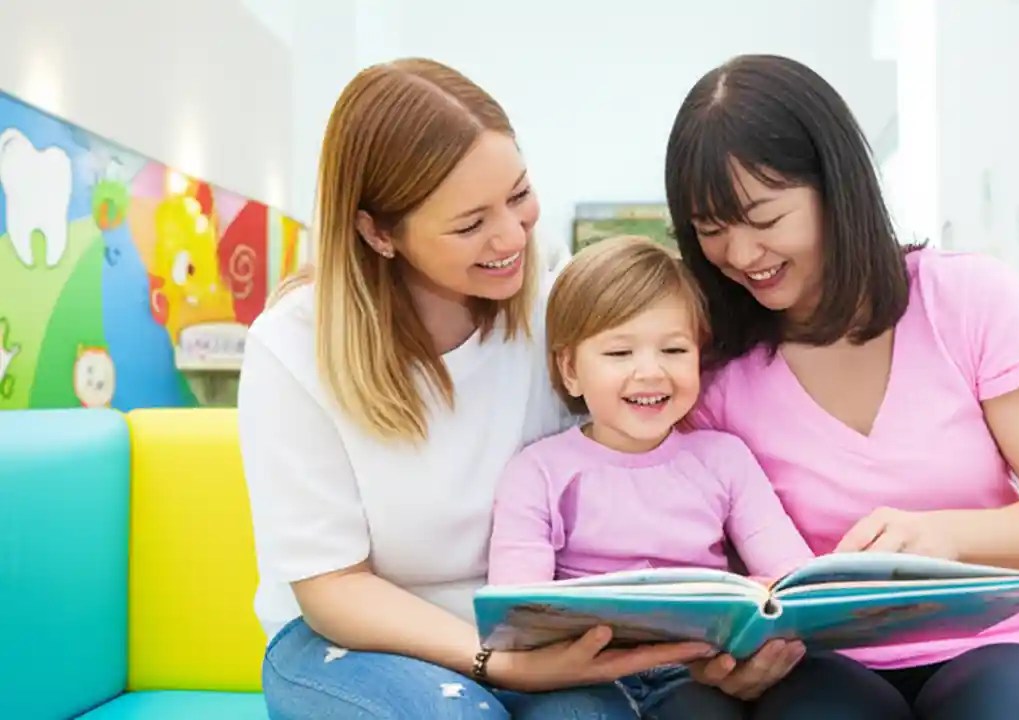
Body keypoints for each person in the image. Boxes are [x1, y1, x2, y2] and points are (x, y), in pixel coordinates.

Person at [235, 58, 714, 720]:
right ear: (378, 232)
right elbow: (333, 588)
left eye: (519, 195)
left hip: (529, 633)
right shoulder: (293, 349)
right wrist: (499, 662)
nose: (512, 236)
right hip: (346, 640)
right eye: (469, 224)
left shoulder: (554, 311)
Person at [661, 54, 1019, 719]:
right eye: (710, 231)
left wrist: (946, 537)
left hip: (998, 645)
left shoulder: (967, 299)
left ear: (833, 186)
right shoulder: (711, 366)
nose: (740, 254)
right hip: (816, 663)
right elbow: (706, 562)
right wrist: (728, 648)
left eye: (763, 219)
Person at [486, 235, 815, 719]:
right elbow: (516, 614)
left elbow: (790, 578)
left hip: (693, 671)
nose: (650, 372)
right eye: (619, 353)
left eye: (674, 350)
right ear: (570, 370)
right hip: (576, 675)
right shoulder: (538, 471)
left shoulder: (723, 458)